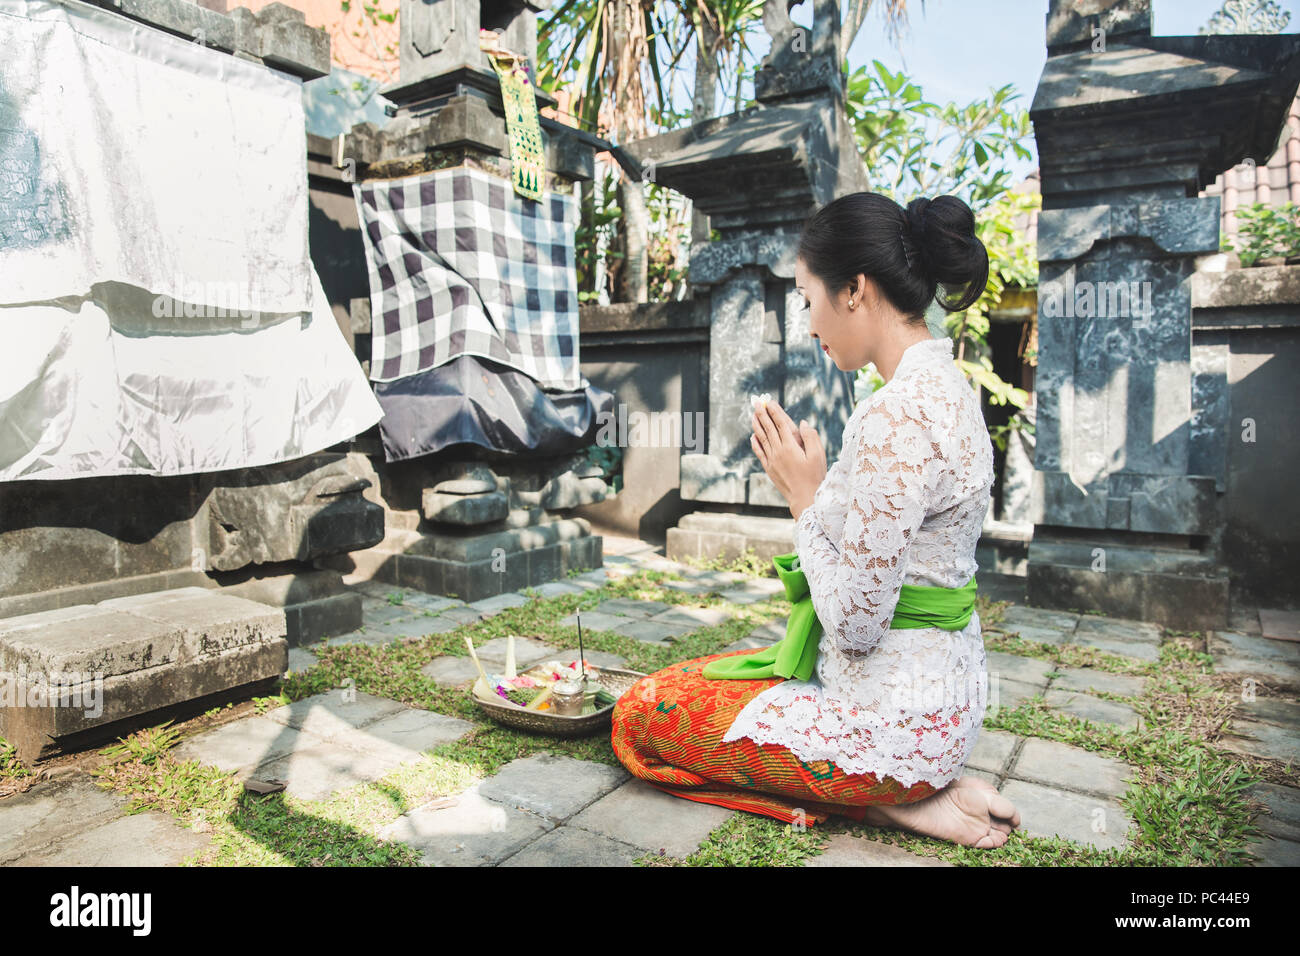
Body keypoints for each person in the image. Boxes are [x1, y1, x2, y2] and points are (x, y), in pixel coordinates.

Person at [610, 192, 1022, 848]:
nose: (807, 325)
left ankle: (889, 803)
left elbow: (857, 627)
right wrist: (824, 487)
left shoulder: (894, 416)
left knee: (644, 709)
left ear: (854, 289)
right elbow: (897, 547)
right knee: (713, 673)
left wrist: (804, 502)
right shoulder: (951, 391)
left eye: (807, 298)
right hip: (949, 714)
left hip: (889, 733)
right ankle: (920, 791)